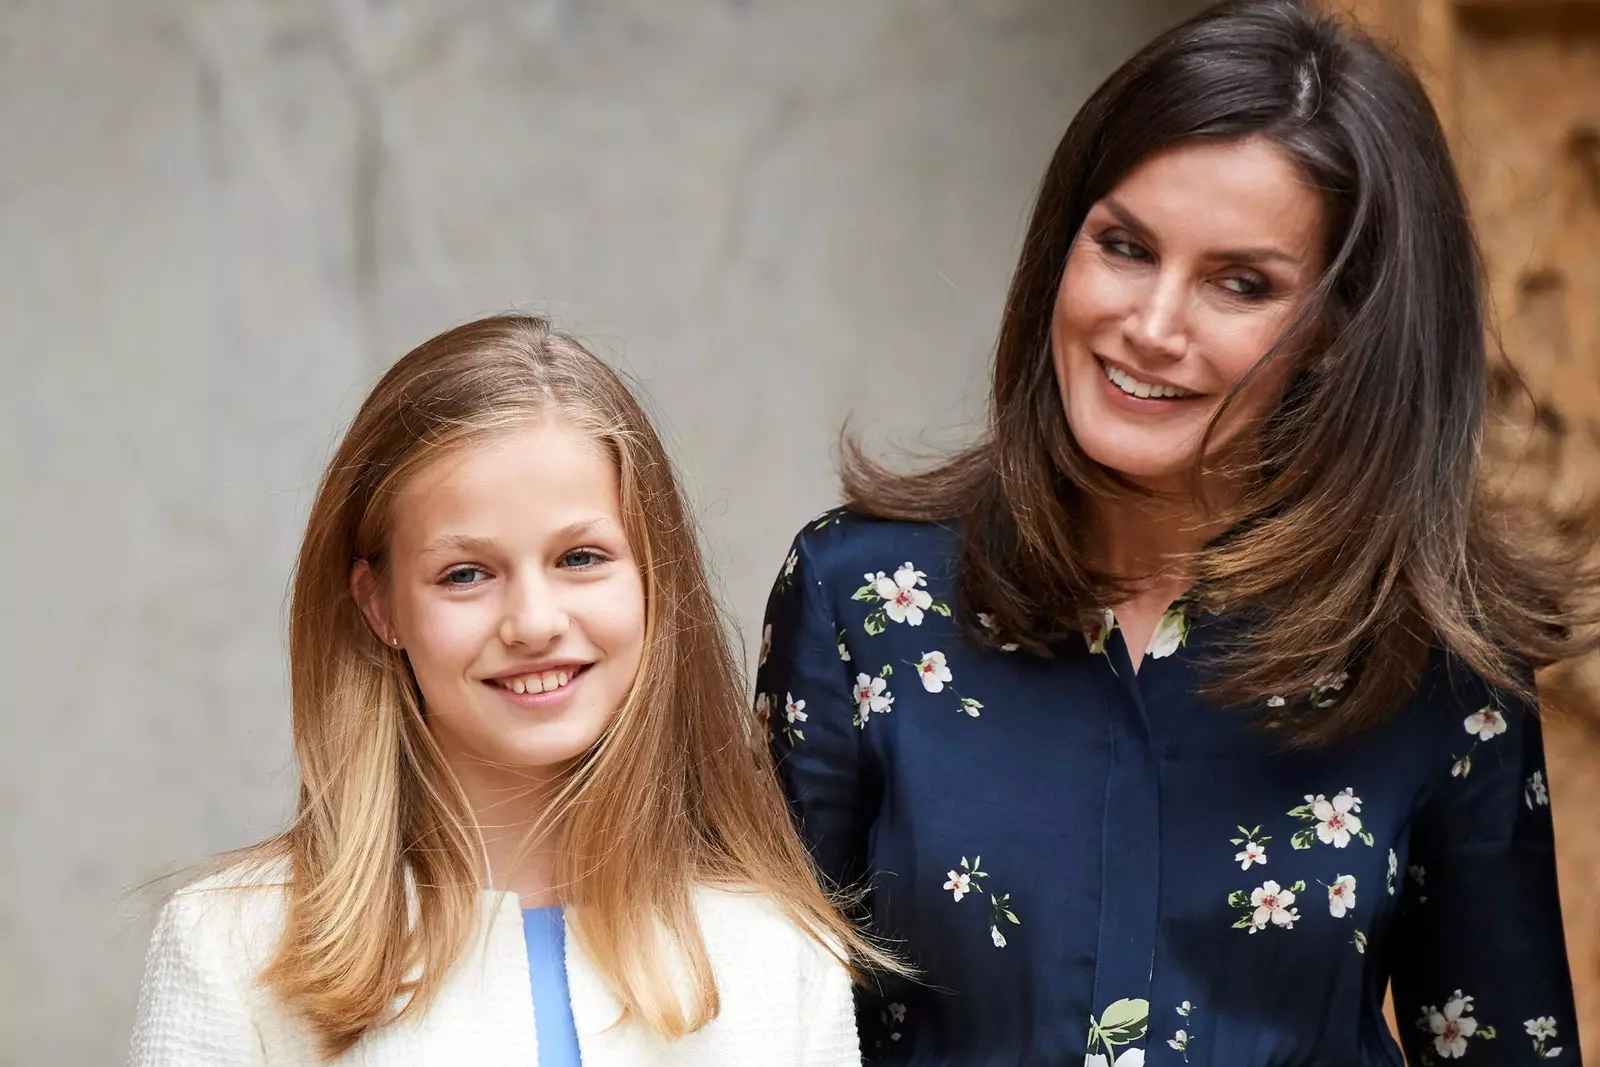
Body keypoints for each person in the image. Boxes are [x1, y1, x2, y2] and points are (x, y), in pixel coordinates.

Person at [754, 1, 1590, 1064]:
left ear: (1340, 333)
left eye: (1240, 283)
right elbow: (763, 1022)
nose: (1151, 326)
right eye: (1124, 246)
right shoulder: (859, 601)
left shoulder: (1434, 657)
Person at [131, 315, 881, 1066]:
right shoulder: (230, 950)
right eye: (465, 573)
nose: (533, 622)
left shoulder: (781, 952)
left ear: (657, 574)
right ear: (379, 604)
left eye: (580, 557)